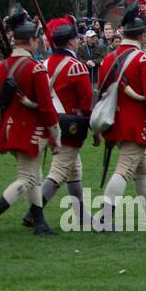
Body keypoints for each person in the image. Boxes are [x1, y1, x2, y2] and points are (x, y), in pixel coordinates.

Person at [0, 11, 61, 237]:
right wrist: (56, 135)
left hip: (9, 129)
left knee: (34, 176)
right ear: (31, 41)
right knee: (28, 178)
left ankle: (40, 222)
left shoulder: (2, 67)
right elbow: (46, 107)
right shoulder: (36, 68)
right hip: (29, 131)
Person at [95, 1, 146, 232]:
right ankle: (103, 218)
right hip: (135, 124)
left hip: (115, 122)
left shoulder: (109, 58)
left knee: (142, 171)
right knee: (125, 169)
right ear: (143, 35)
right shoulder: (143, 60)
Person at [24, 16, 91, 228]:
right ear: (70, 42)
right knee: (59, 172)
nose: (79, 41)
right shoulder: (77, 67)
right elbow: (86, 103)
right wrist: (94, 129)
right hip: (68, 125)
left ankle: (81, 214)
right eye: (76, 38)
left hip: (48, 121)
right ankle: (33, 213)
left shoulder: (43, 64)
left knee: (74, 170)